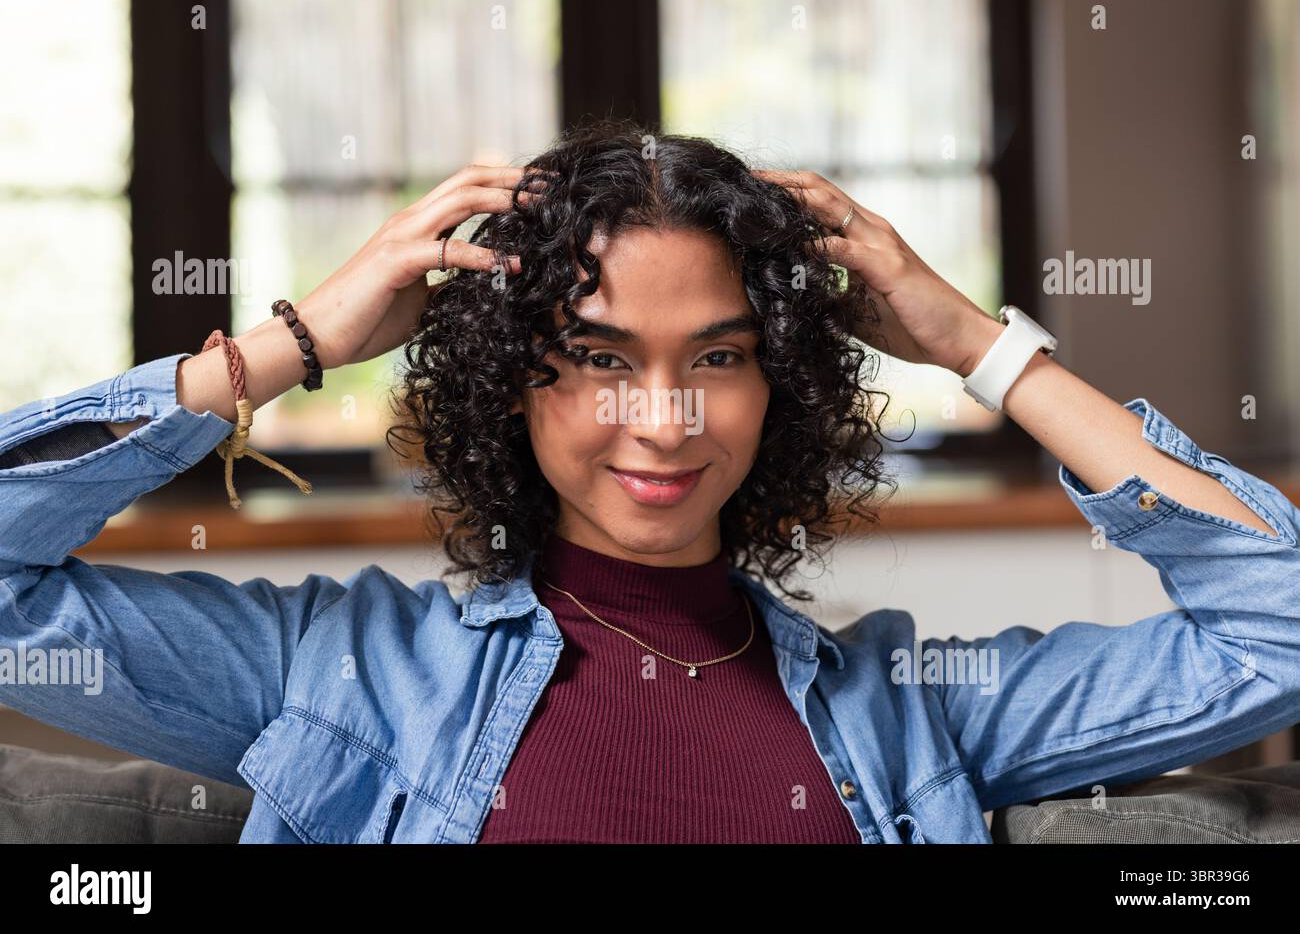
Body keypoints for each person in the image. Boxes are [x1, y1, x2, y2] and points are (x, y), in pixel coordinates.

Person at [0, 120, 1296, 844]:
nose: (663, 421)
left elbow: (1278, 630)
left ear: (779, 377)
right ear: (513, 378)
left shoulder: (913, 712)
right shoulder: (339, 669)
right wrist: (301, 342)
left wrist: (977, 344)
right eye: (596, 356)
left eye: (719, 357)